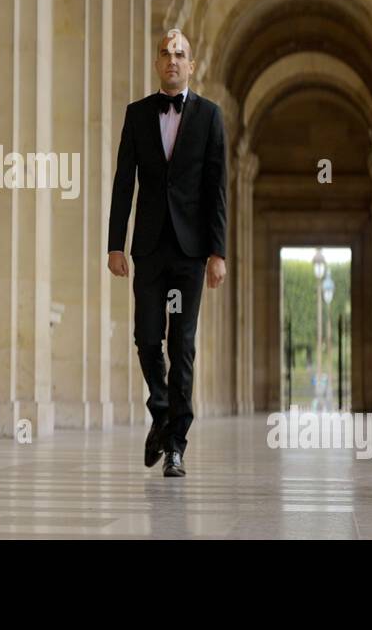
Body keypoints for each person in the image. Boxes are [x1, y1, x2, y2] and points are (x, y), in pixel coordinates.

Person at [107, 28, 228, 478]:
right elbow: (124, 182)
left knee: (182, 344)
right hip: (150, 248)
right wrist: (115, 244)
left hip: (191, 253)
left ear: (191, 66)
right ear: (157, 63)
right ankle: (161, 410)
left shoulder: (210, 116)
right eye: (165, 53)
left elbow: (217, 188)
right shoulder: (137, 114)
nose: (172, 60)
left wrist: (218, 252)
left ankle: (176, 444)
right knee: (146, 336)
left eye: (180, 54)